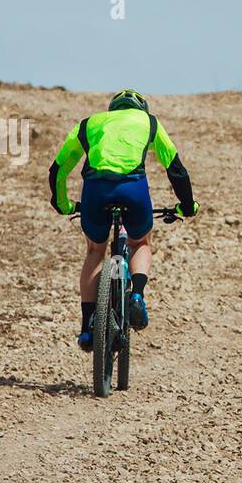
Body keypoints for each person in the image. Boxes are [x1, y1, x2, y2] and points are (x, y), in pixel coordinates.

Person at [48, 89, 198, 351]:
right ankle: (137, 295)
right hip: (133, 190)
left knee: (95, 250)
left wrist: (63, 204)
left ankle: (86, 329)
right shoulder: (149, 122)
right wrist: (187, 206)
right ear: (140, 108)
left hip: (95, 191)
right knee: (140, 243)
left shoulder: (90, 123)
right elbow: (176, 169)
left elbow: (58, 168)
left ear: (112, 109)